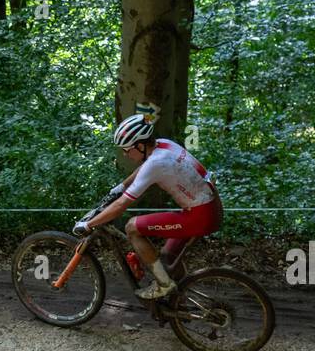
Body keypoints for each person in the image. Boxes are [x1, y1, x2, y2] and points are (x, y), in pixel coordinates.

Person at [74, 113, 223, 300]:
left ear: (140, 145)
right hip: (208, 206)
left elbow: (123, 204)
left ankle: (163, 285)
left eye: (127, 149)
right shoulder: (162, 144)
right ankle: (180, 298)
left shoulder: (156, 163)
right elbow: (142, 170)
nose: (124, 154)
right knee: (167, 256)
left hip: (200, 215)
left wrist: (89, 224)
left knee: (132, 227)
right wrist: (121, 186)